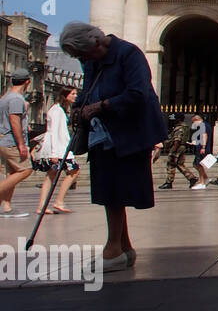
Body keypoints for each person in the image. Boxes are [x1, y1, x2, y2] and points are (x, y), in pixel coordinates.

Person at [60, 22, 168, 271]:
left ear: (96, 42)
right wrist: (79, 109)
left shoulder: (129, 54)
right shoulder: (91, 60)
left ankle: (113, 248)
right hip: (103, 134)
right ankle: (123, 247)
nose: (84, 60)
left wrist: (101, 106)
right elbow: (87, 91)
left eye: (83, 55)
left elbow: (139, 93)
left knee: (115, 191)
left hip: (129, 133)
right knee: (109, 189)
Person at [32, 85, 81, 214]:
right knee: (74, 171)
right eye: (73, 94)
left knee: (51, 175)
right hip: (59, 150)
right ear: (65, 95)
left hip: (60, 149)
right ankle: (58, 201)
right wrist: (54, 153)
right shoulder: (57, 111)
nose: (75, 96)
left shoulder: (59, 110)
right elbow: (53, 132)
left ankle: (42, 205)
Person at [0, 68, 34, 216]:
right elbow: (14, 121)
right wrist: (21, 144)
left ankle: (6, 207)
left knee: (12, 173)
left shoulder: (5, 97)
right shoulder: (16, 99)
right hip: (11, 141)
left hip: (4, 139)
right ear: (27, 82)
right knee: (26, 170)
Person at [156, 113, 199, 189]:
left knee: (171, 164)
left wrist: (173, 151)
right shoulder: (184, 127)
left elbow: (177, 140)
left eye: (174, 119)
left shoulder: (180, 128)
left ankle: (169, 182)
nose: (173, 120)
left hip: (177, 148)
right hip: (181, 147)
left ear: (178, 119)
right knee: (179, 164)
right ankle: (192, 178)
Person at [191, 114, 210, 185]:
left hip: (201, 148)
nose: (193, 124)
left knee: (199, 165)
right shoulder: (206, 125)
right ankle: (205, 178)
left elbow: (204, 135)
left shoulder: (202, 125)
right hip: (200, 147)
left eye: (193, 122)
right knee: (196, 164)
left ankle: (202, 182)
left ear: (196, 120)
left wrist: (203, 147)